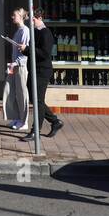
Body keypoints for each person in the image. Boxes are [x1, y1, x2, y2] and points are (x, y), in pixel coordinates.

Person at [20, 9, 63, 142]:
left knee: (38, 101)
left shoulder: (46, 33)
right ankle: (55, 122)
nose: (31, 21)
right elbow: (34, 52)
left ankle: (35, 131)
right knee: (36, 100)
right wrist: (24, 50)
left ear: (39, 18)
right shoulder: (35, 32)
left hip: (42, 71)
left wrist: (27, 49)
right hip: (33, 69)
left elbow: (44, 53)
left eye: (33, 19)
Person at [2, 8, 30, 131]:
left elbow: (24, 51)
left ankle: (24, 122)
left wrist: (16, 63)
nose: (12, 17)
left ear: (21, 16)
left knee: (22, 93)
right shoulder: (18, 30)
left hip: (21, 67)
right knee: (13, 92)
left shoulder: (25, 30)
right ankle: (18, 118)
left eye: (14, 15)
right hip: (15, 66)